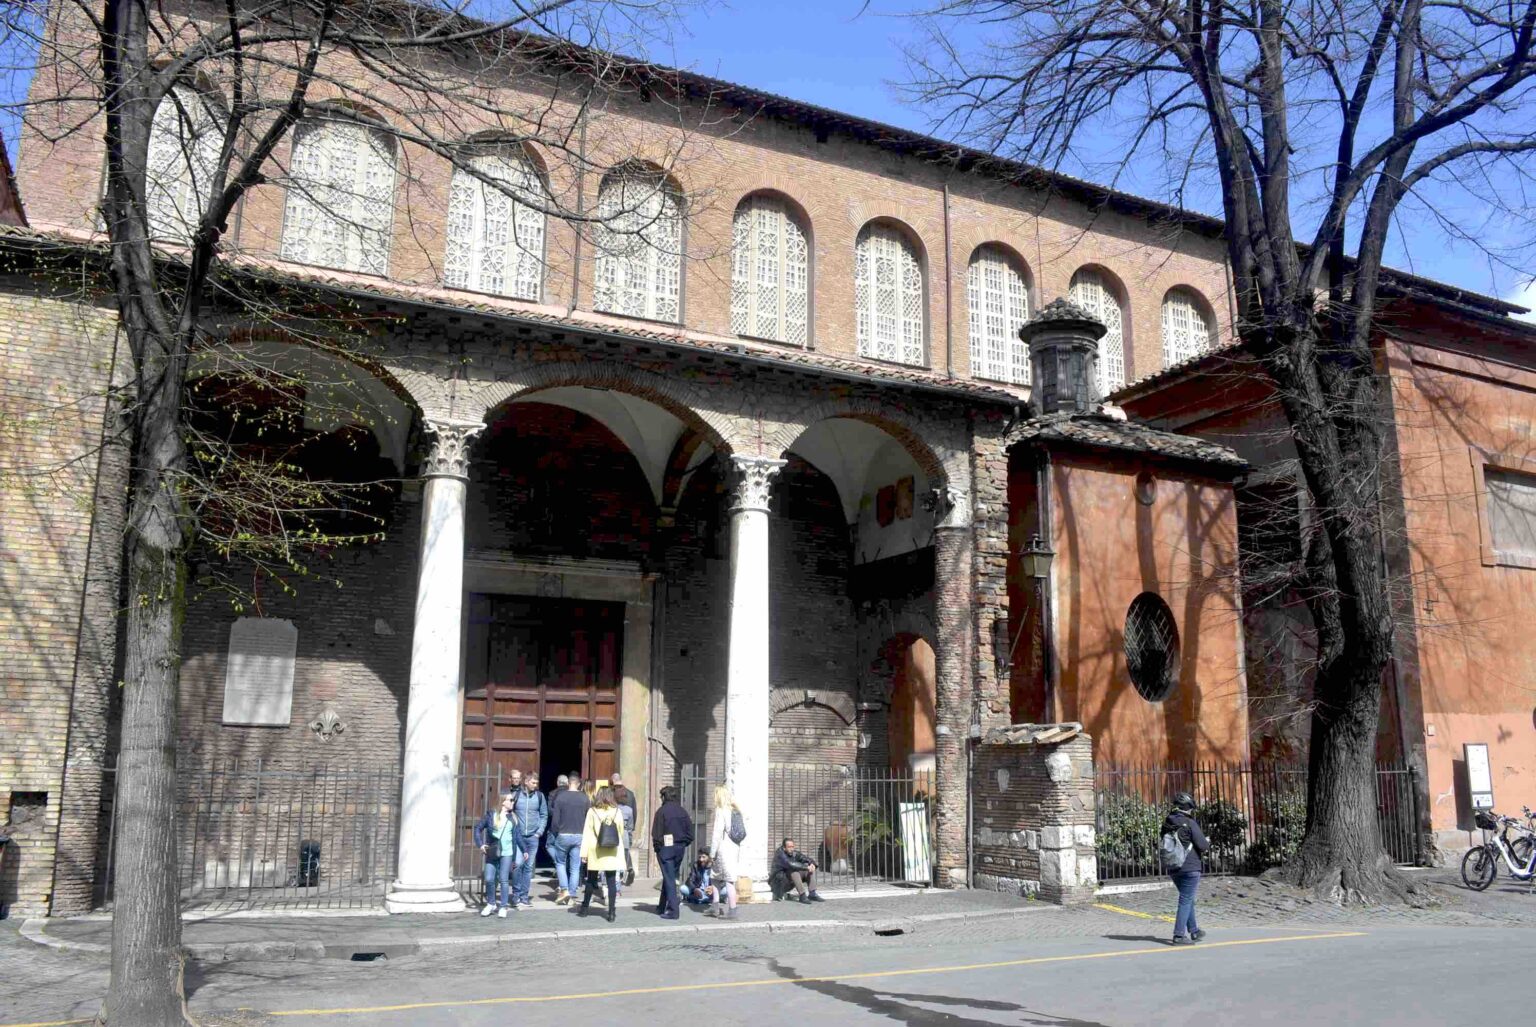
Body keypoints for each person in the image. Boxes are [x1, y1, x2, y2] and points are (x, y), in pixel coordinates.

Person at [1163, 791, 1210, 945]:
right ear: (1188, 807)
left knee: (1187, 898)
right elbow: (1203, 846)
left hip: (1173, 866)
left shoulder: (1167, 822)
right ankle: (1178, 935)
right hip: (1190, 867)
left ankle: (1194, 930)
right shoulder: (1190, 823)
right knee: (1185, 899)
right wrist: (1206, 841)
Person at [578, 786, 627, 923]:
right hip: (612, 850)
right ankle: (611, 912)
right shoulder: (617, 812)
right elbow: (621, 831)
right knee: (611, 882)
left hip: (596, 850)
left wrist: (584, 853)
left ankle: (584, 908)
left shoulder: (592, 811)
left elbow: (587, 833)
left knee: (591, 880)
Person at [472, 792, 519, 918]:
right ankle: (491, 903)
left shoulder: (513, 817)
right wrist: (481, 844)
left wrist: (523, 851)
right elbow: (478, 828)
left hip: (507, 852)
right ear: (503, 801)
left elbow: (516, 838)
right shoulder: (491, 814)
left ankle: (503, 906)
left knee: (504, 879)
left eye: (513, 800)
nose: (513, 802)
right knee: (489, 878)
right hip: (492, 851)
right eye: (511, 800)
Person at [651, 785, 694, 919]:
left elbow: (656, 833)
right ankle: (661, 906)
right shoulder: (683, 812)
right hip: (679, 848)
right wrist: (683, 843)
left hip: (666, 849)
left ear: (664, 797)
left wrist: (658, 847)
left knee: (669, 879)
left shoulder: (661, 812)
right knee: (669, 877)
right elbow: (690, 834)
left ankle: (673, 910)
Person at [546, 774, 589, 905]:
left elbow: (555, 820)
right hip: (579, 835)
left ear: (568, 783)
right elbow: (588, 818)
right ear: (579, 784)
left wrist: (555, 832)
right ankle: (572, 892)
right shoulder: (584, 798)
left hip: (563, 834)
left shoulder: (561, 797)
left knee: (560, 863)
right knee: (575, 867)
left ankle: (564, 890)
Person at [510, 771, 548, 908]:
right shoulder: (517, 795)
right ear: (526, 782)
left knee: (528, 867)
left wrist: (539, 832)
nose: (535, 785)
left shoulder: (539, 796)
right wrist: (514, 829)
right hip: (519, 837)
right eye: (533, 782)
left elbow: (544, 814)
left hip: (533, 837)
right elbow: (510, 812)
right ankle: (516, 894)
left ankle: (524, 896)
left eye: (537, 783)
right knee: (518, 865)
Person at [706, 785, 742, 919]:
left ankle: (731, 910)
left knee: (726, 879)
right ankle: (715, 906)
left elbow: (716, 834)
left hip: (723, 849)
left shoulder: (721, 810)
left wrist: (712, 854)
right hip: (734, 848)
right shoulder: (735, 810)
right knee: (716, 876)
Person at [772, 837, 824, 903]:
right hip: (780, 884)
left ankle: (812, 894)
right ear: (784, 848)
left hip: (790, 881)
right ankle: (802, 895)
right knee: (793, 871)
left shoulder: (794, 853)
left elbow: (806, 859)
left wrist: (812, 864)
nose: (791, 849)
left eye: (792, 847)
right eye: (789, 847)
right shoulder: (780, 855)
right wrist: (806, 867)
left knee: (809, 870)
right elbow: (790, 864)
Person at [611, 772, 639, 887]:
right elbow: (634, 811)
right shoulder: (631, 794)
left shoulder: (611, 793)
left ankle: (616, 879)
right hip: (626, 828)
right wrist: (631, 829)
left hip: (614, 831)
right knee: (625, 851)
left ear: (613, 781)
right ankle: (628, 868)